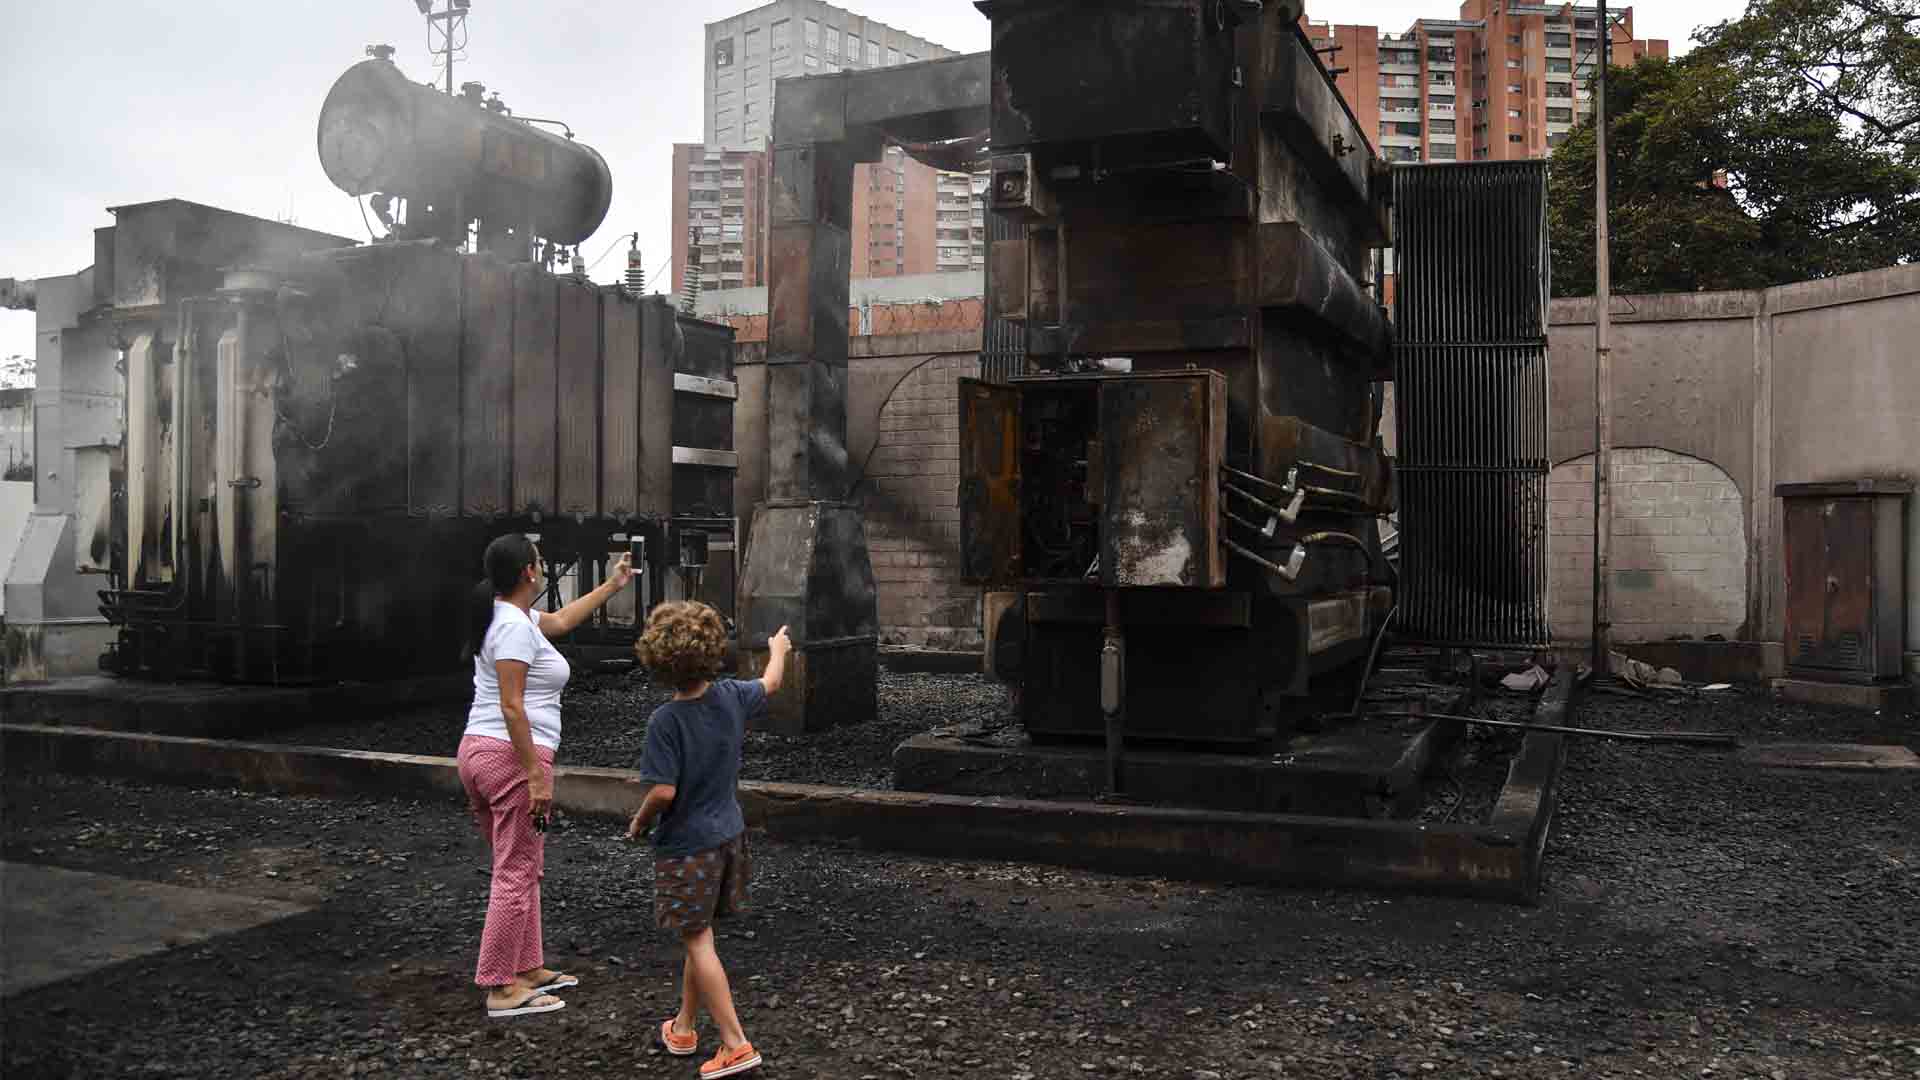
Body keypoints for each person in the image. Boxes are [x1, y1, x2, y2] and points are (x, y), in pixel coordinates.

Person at [457, 533, 632, 1019]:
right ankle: (499, 985)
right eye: (539, 561)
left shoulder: (510, 617)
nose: (542, 565)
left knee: (523, 864)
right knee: (515, 870)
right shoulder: (511, 627)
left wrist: (611, 587)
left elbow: (558, 620)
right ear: (529, 573)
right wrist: (535, 774)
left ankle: (527, 966)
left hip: (480, 751)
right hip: (509, 758)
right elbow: (512, 705)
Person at [626, 603, 790, 1078]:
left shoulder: (666, 721)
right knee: (700, 933)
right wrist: (777, 649)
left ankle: (736, 1044)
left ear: (656, 660)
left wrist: (640, 821)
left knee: (697, 940)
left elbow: (662, 790)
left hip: (687, 847)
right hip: (729, 838)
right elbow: (772, 682)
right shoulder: (732, 697)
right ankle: (682, 1026)